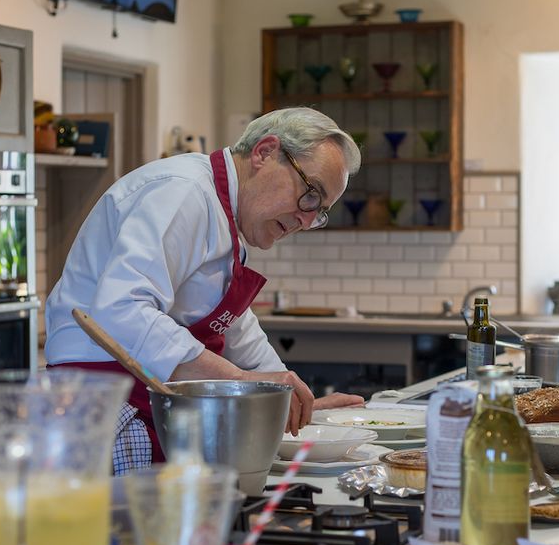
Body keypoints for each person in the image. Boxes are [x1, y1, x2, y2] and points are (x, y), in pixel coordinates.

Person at [45, 107, 365, 473]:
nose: (307, 221)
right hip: (107, 410)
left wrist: (290, 399)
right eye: (310, 194)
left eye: (320, 211)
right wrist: (244, 382)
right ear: (264, 152)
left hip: (155, 405)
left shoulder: (226, 216)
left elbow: (234, 327)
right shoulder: (184, 193)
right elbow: (122, 311)